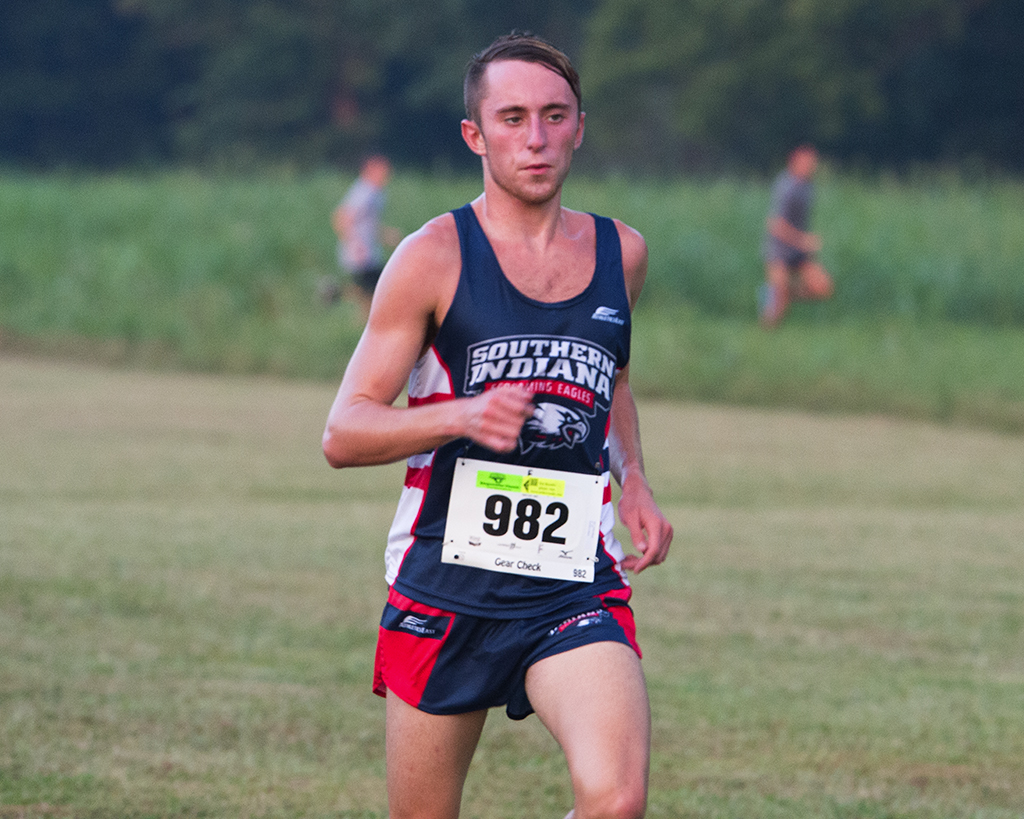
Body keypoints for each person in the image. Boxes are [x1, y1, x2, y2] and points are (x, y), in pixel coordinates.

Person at [322, 33, 673, 819]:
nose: (537, 137)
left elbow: (610, 377)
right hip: (445, 582)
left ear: (581, 125)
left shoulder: (623, 253)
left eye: (554, 116)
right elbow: (343, 432)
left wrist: (635, 478)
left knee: (615, 799)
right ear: (475, 136)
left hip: (573, 579)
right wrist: (463, 414)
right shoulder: (431, 256)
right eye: (512, 118)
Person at [759, 144, 834, 327]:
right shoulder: (786, 187)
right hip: (778, 252)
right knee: (774, 316)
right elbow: (775, 225)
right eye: (807, 162)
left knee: (823, 288)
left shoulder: (808, 186)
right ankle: (775, 296)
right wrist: (802, 240)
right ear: (794, 162)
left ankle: (779, 291)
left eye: (813, 163)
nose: (811, 166)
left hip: (799, 253)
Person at [327, 153, 401, 316]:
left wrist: (386, 235)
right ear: (370, 169)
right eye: (383, 168)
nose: (387, 172)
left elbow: (367, 223)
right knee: (375, 289)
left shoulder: (375, 192)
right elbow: (341, 217)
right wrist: (355, 244)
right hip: (360, 252)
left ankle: (336, 292)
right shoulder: (365, 191)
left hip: (368, 251)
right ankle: (334, 292)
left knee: (371, 289)